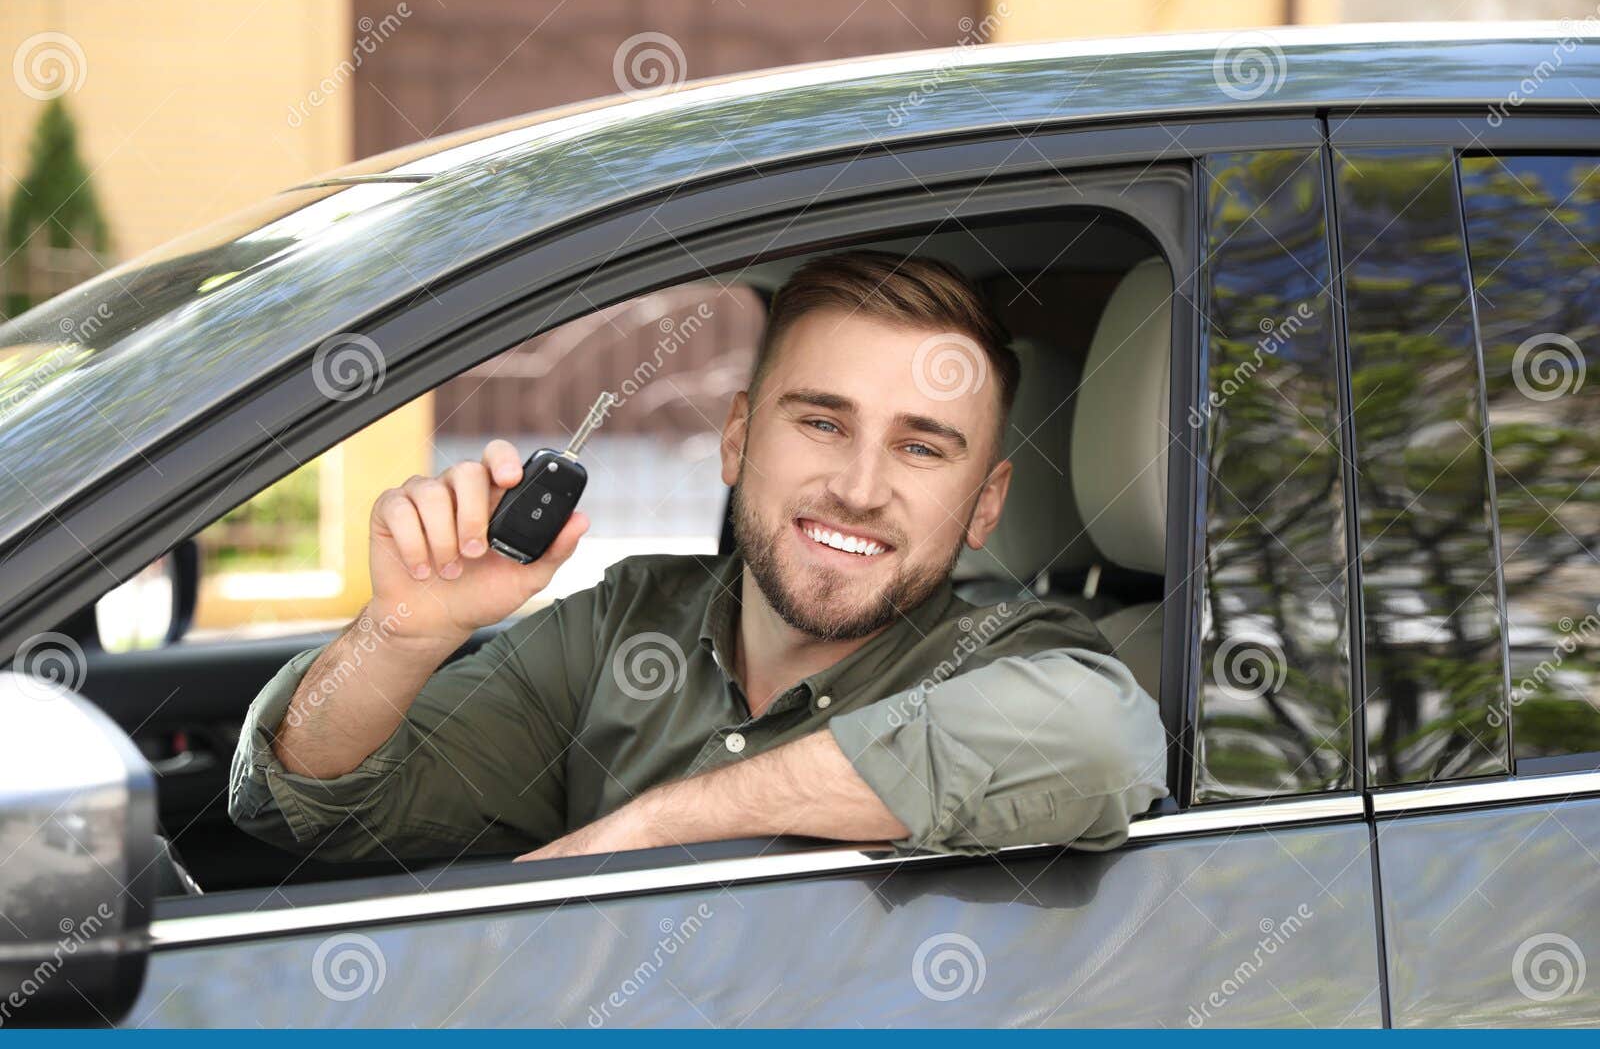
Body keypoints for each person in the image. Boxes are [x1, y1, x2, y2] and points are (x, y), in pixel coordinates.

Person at [228, 250, 1168, 864]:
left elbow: (1101, 742)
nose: (859, 487)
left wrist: (652, 826)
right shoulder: (623, 623)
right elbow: (303, 805)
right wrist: (398, 635)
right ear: (737, 438)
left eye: (921, 447)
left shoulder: (1011, 655)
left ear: (986, 503)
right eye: (822, 422)